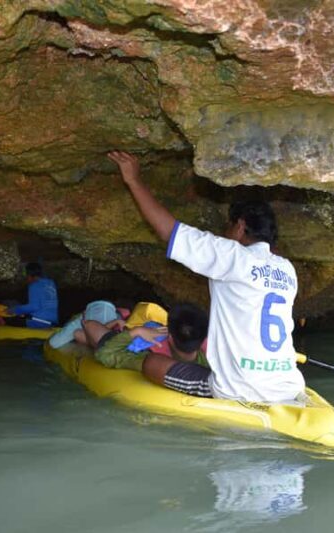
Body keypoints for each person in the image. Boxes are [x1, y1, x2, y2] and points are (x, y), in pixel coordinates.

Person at [107, 151, 305, 403]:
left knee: (152, 363)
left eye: (229, 226)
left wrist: (133, 181)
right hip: (288, 386)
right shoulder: (287, 270)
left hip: (237, 390)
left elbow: (170, 232)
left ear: (240, 226)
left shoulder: (232, 255)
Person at [82, 302, 210, 373]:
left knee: (89, 325)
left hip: (125, 342)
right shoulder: (210, 360)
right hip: (141, 330)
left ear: (170, 336)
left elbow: (104, 354)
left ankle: (110, 324)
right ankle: (119, 321)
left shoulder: (149, 358)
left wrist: (136, 331)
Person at [6, 262, 59, 328]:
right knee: (22, 311)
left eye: (26, 276)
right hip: (53, 322)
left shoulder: (34, 285)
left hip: (38, 322)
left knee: (11, 320)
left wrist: (15, 310)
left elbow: (34, 306)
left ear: (29, 275)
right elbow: (43, 304)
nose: (26, 279)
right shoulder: (51, 283)